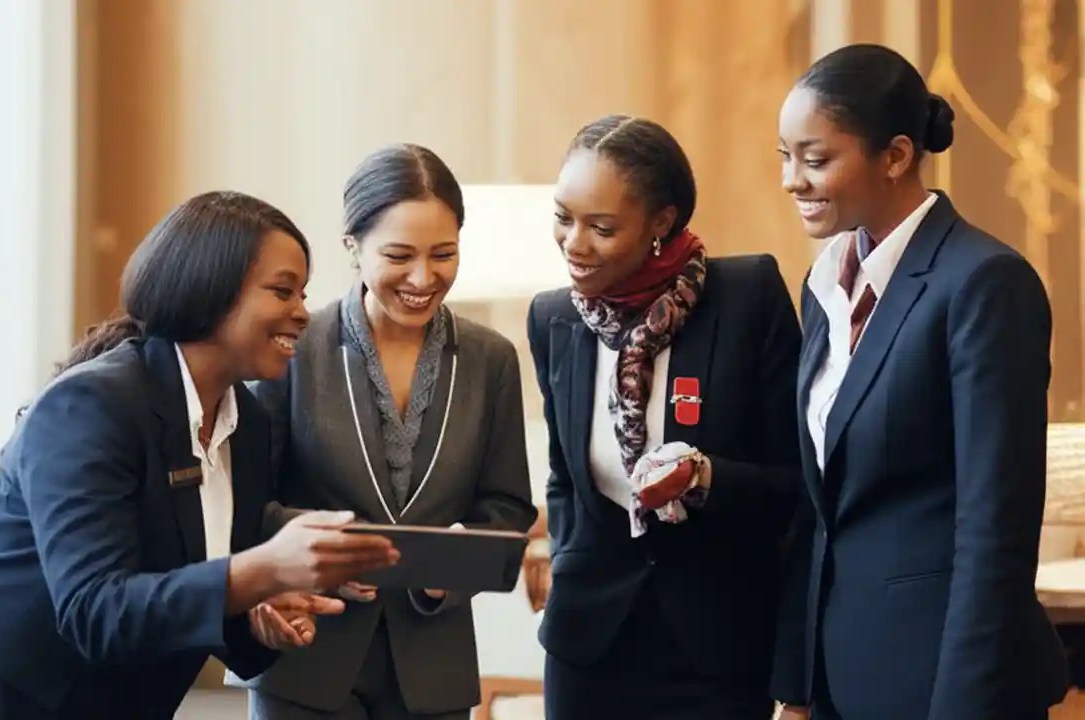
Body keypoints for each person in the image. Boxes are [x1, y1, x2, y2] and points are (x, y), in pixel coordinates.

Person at [0, 191, 400, 719]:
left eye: (302, 293)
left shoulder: (246, 424)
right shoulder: (93, 403)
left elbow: (191, 586)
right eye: (283, 291)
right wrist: (265, 567)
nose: (303, 312)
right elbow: (94, 610)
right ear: (211, 288)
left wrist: (263, 616)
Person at [771, 44, 1069, 720]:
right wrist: (796, 684)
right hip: (841, 676)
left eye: (815, 159)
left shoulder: (983, 283)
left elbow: (995, 532)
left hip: (944, 681)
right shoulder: (823, 285)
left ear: (897, 155)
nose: (793, 180)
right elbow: (818, 510)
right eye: (784, 157)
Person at [244, 144, 537, 719]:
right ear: (352, 245)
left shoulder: (490, 358)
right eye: (399, 255)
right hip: (305, 652)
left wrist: (444, 573)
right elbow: (249, 500)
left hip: (433, 668)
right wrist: (326, 557)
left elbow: (506, 507)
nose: (424, 278)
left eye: (444, 254)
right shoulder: (297, 347)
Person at [527, 114, 802, 719]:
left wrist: (705, 477)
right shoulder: (555, 320)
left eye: (600, 227)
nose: (574, 242)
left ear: (662, 222)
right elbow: (564, 477)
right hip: (590, 648)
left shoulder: (747, 296)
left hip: (720, 647)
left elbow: (797, 482)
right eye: (562, 217)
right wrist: (564, 563)